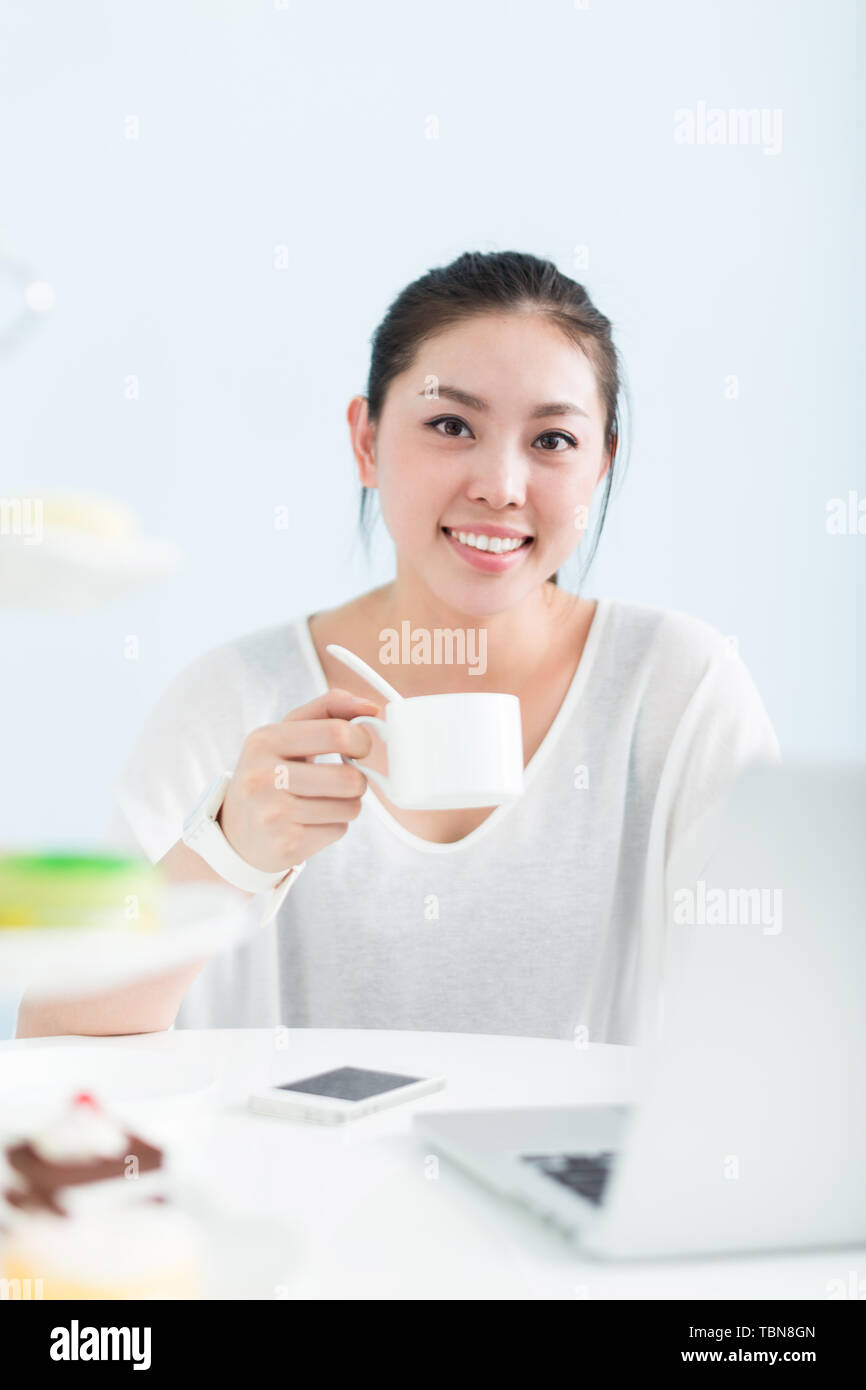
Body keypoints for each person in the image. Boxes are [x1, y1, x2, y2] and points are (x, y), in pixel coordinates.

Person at [16, 250, 780, 1044]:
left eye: (552, 440)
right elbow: (55, 1041)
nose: (501, 484)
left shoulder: (679, 688)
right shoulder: (232, 700)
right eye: (452, 425)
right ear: (367, 442)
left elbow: (779, 1030)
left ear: (601, 466)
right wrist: (231, 852)